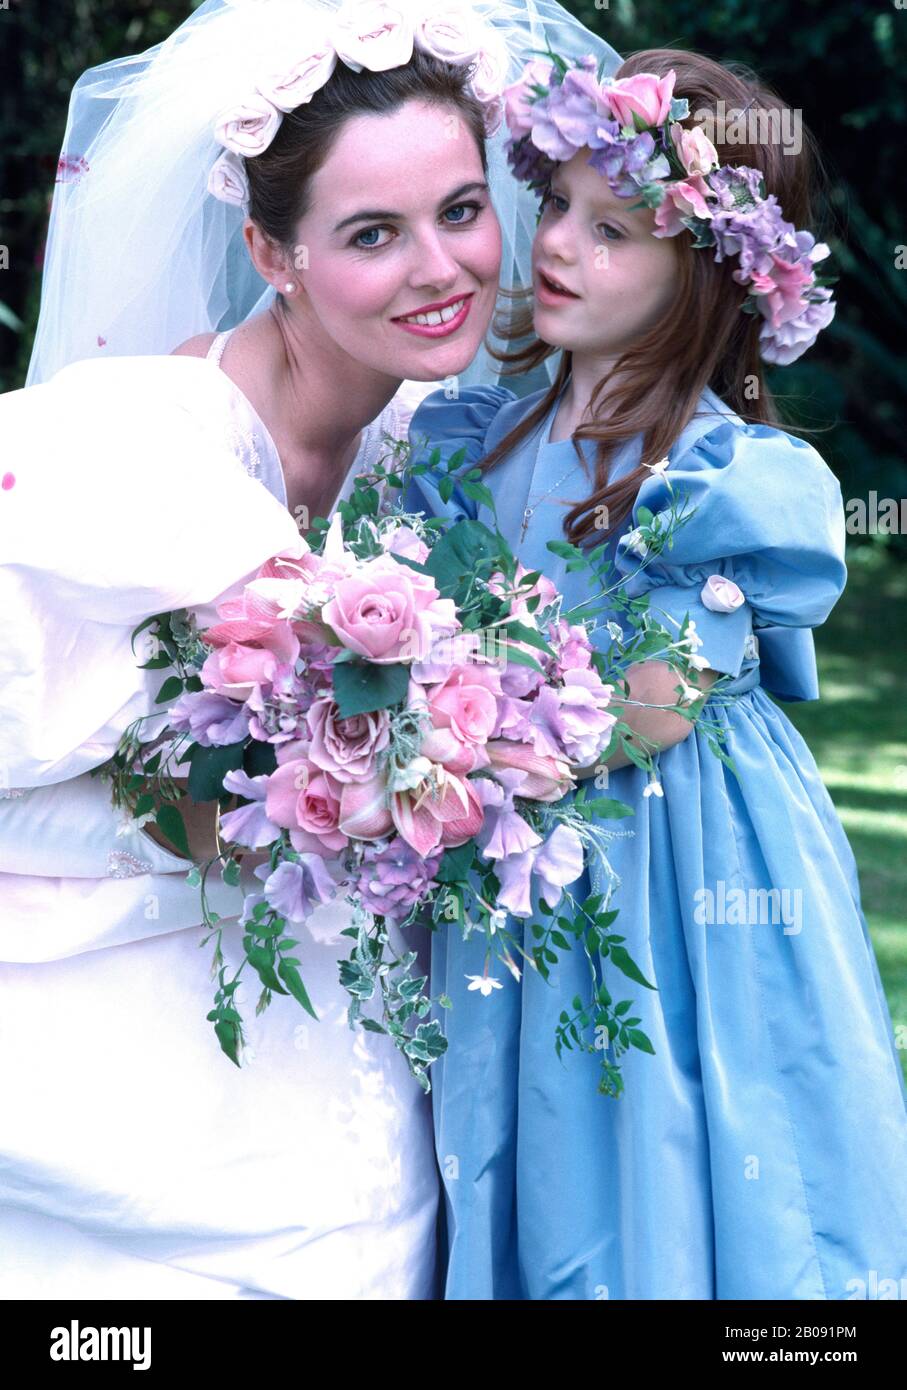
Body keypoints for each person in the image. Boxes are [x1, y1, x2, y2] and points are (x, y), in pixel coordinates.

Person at [0, 0, 622, 1299]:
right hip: (117, 1073)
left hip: (358, 1058)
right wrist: (206, 811)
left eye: (460, 209)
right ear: (270, 253)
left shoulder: (448, 458)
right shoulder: (122, 451)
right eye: (370, 235)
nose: (439, 267)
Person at [404, 46, 907, 1299]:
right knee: (515, 1110)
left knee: (667, 1110)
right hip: (503, 838)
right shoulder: (479, 435)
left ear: (709, 275)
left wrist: (473, 755)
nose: (559, 245)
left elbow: (657, 699)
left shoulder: (716, 473)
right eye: (557, 205)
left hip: (675, 852)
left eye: (613, 228)